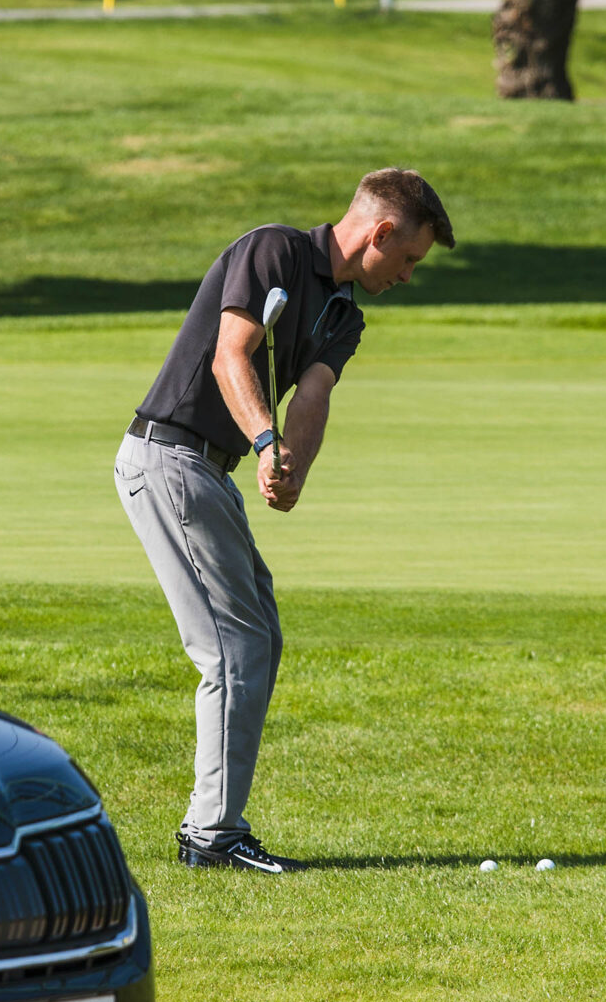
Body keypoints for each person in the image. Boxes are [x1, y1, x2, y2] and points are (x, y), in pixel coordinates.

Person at [114, 168, 454, 873]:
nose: (407, 276)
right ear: (380, 232)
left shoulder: (345, 314)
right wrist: (266, 441)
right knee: (233, 645)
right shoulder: (273, 251)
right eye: (408, 258)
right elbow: (229, 356)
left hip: (210, 471)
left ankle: (215, 826)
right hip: (170, 457)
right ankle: (212, 834)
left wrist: (292, 465)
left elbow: (314, 393)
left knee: (260, 634)